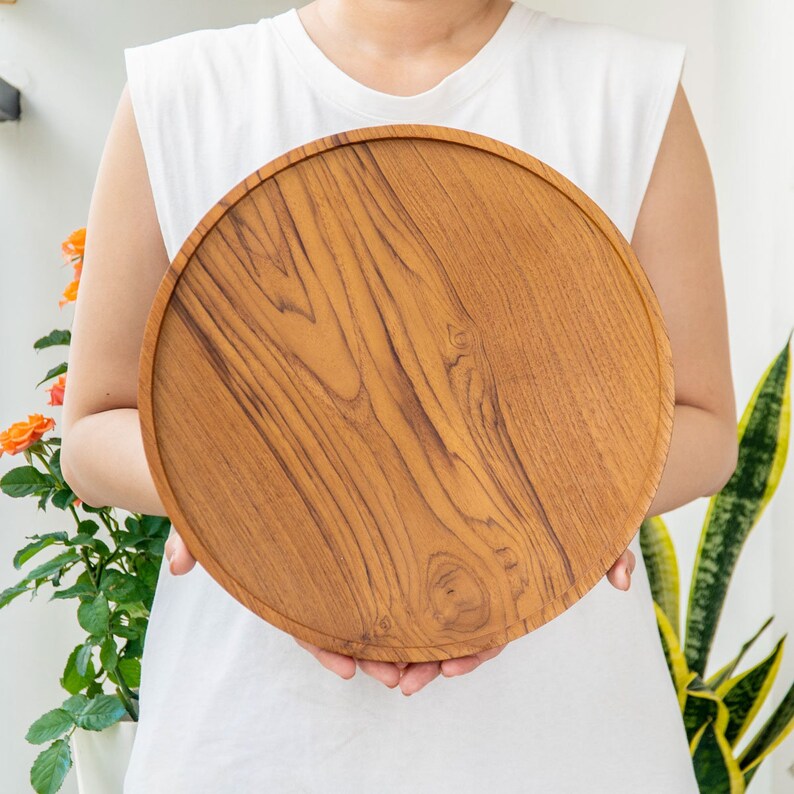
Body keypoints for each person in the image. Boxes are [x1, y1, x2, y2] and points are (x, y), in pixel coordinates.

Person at [61, 1, 738, 791]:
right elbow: (93, 430)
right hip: (253, 737)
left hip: (562, 734)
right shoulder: (180, 91)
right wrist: (240, 512)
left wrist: (567, 515)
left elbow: (705, 426)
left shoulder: (629, 91)